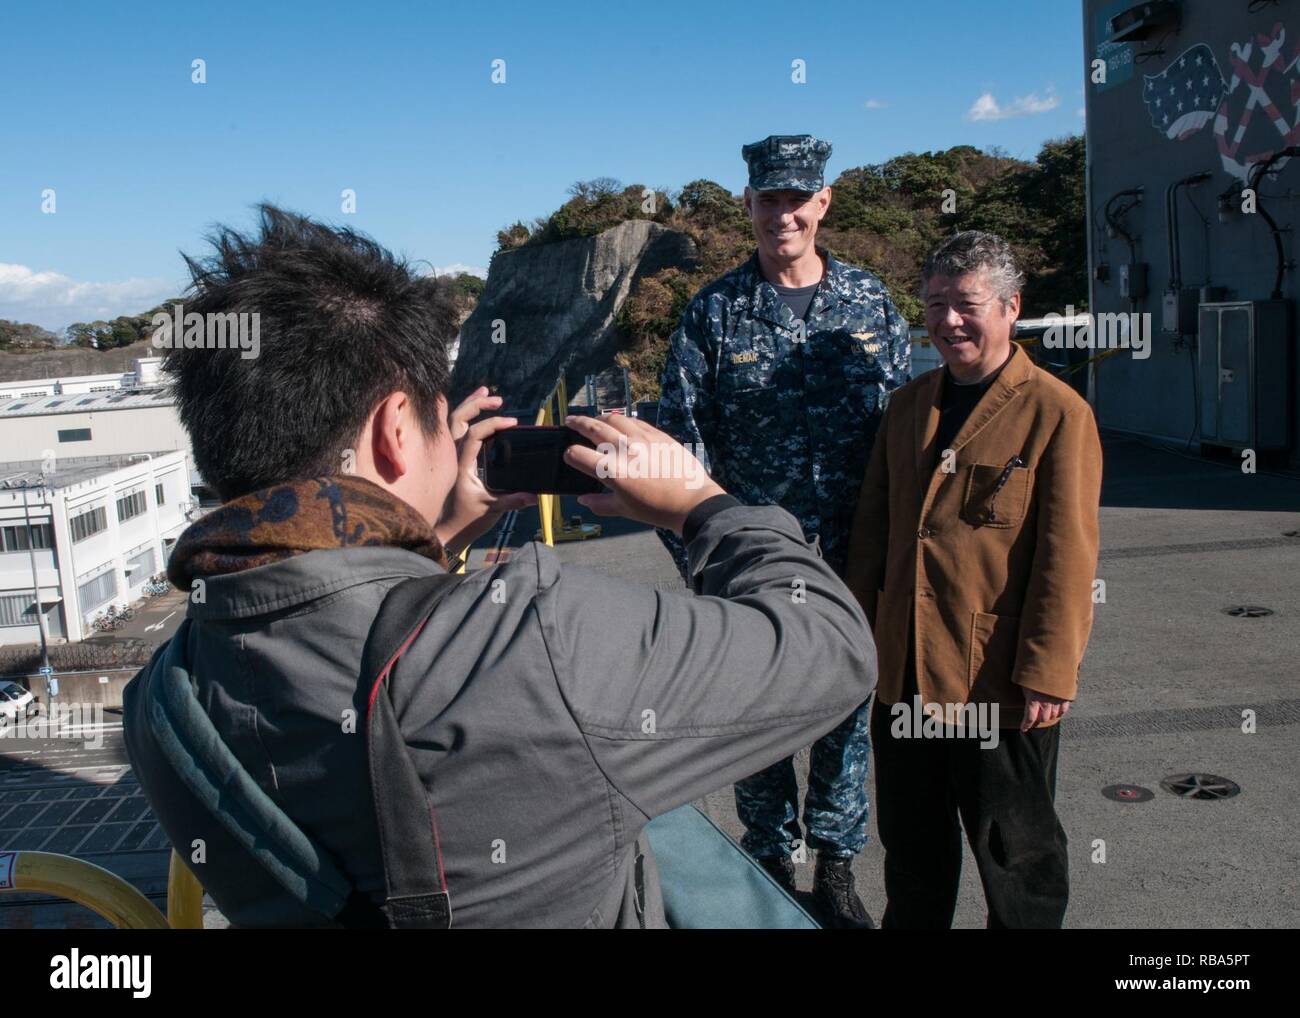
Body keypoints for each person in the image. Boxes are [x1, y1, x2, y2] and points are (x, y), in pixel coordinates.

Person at [121, 204, 877, 928]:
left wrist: (434, 532)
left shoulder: (162, 703)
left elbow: (336, 630)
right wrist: (701, 505)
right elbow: (834, 647)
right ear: (393, 431)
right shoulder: (530, 638)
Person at [656, 135, 909, 927]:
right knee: (757, 709)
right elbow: (682, 446)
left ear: (824, 203)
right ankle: (764, 864)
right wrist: (702, 555)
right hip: (751, 562)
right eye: (769, 200)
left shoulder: (871, 303)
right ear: (749, 205)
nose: (784, 215)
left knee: (843, 708)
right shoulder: (713, 314)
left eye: (799, 199)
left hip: (852, 557)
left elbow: (904, 431)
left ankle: (836, 869)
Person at [845, 230, 1103, 929]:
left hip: (997, 677)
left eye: (967, 303)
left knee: (1017, 859)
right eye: (934, 304)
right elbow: (871, 539)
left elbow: (1068, 554)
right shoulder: (906, 408)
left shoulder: (1055, 412)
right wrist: (855, 647)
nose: (948, 320)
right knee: (914, 857)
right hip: (904, 677)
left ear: (1011, 307)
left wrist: (1050, 670)